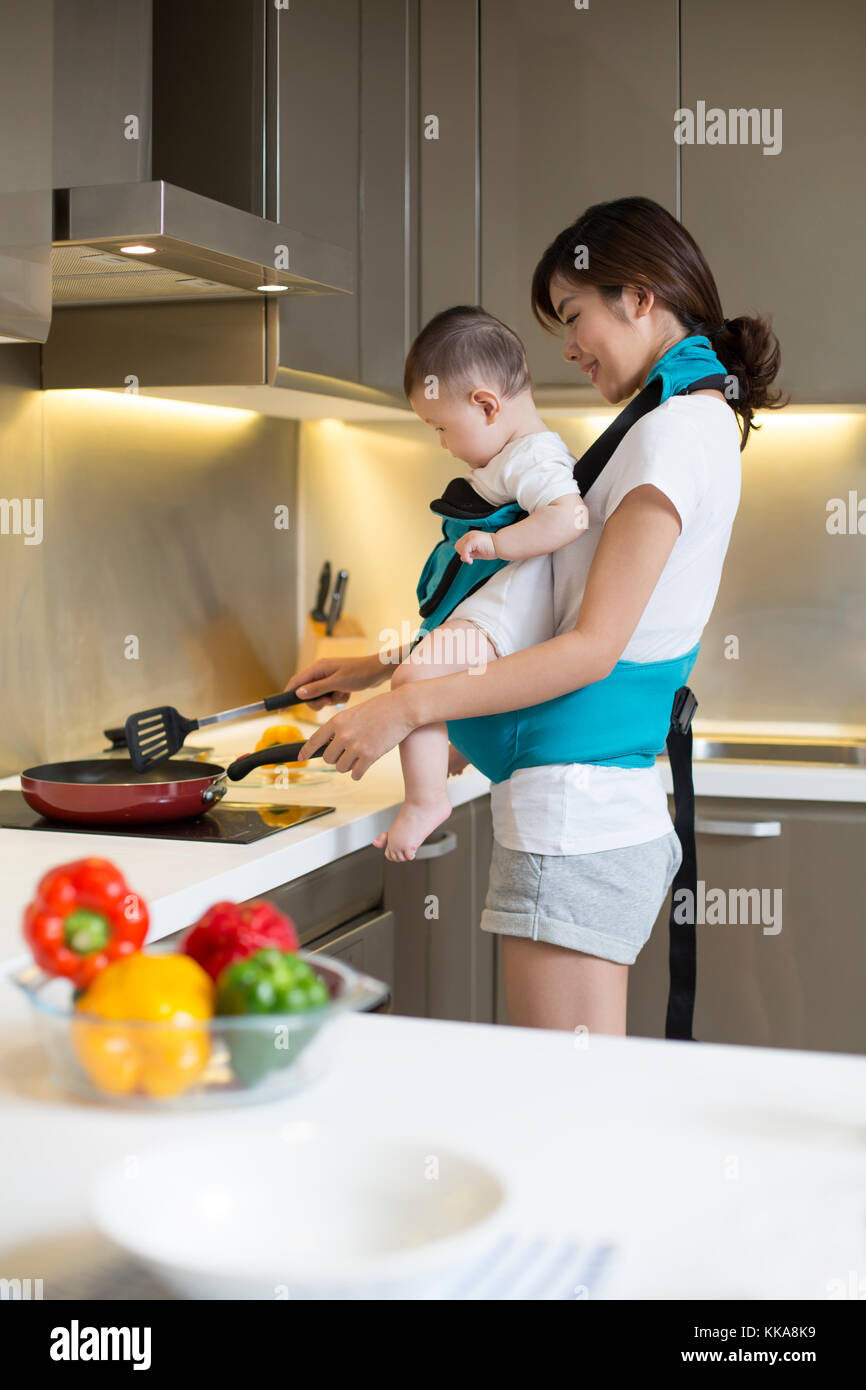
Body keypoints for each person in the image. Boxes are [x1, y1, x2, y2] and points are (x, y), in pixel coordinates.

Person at [285, 196, 784, 1036]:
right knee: (576, 1108)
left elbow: (591, 651)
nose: (567, 345)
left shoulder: (671, 435)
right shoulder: (673, 425)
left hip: (575, 822)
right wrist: (382, 667)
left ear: (639, 295)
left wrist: (404, 705)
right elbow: (539, 604)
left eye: (574, 314)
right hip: (578, 816)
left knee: (568, 1115)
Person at [371, 305, 588, 861]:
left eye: (441, 427)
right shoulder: (517, 456)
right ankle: (443, 761)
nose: (442, 443)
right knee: (420, 672)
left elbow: (568, 517)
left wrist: (496, 543)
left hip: (507, 616)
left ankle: (426, 801)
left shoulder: (533, 456)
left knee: (414, 681)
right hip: (500, 617)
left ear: (486, 404)